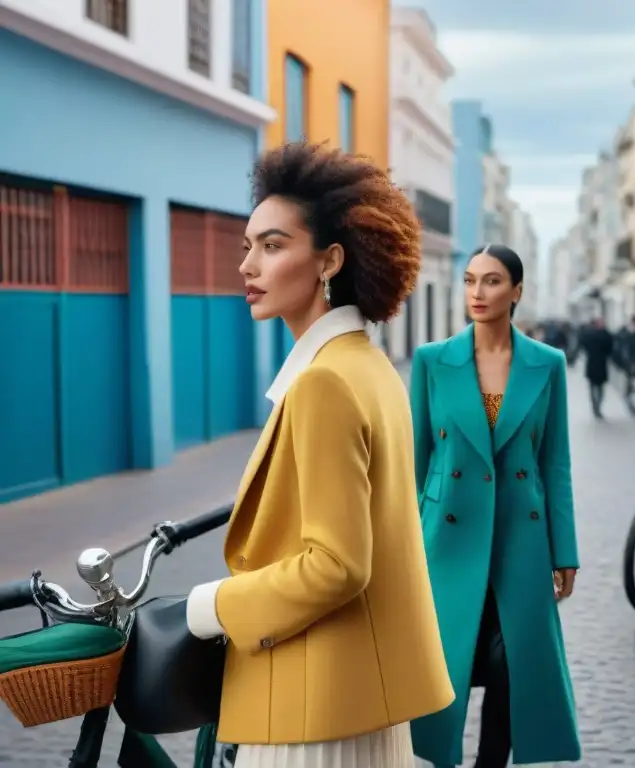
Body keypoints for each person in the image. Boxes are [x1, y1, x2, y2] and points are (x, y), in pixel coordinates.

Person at [184, 141, 454, 768]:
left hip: (314, 717)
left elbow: (337, 564)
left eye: (273, 246)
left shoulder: (324, 382)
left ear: (330, 260)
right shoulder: (368, 363)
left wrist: (207, 606)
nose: (248, 265)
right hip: (361, 699)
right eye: (247, 245)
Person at [409, 244, 581, 768]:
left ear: (517, 292)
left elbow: (556, 463)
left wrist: (564, 550)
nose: (477, 293)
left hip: (520, 538)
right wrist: (407, 544)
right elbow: (415, 460)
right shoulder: (432, 361)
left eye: (492, 281)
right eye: (469, 281)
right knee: (446, 663)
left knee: (513, 668)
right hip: (447, 538)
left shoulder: (546, 365)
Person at [579, 316, 615, 419]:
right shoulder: (606, 335)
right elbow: (611, 347)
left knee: (594, 386)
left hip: (592, 363)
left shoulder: (588, 334)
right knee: (599, 387)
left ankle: (595, 406)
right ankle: (597, 406)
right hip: (601, 363)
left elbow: (583, 345)